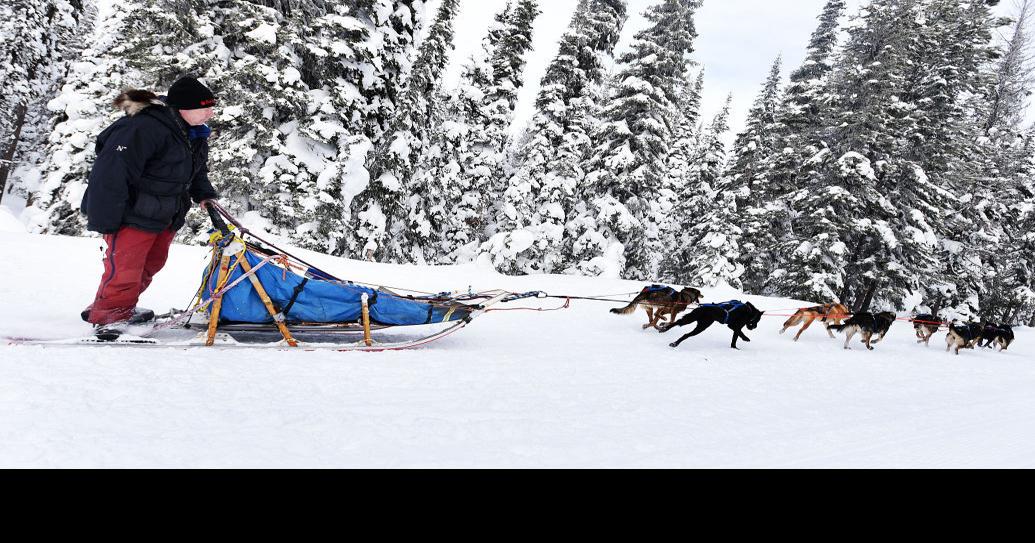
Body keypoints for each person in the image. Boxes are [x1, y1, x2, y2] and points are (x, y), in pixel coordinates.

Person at [80, 76, 219, 339]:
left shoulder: (195, 133)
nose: (210, 113)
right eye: (205, 107)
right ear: (183, 108)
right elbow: (110, 172)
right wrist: (106, 217)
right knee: (126, 267)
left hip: (165, 214)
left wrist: (205, 195)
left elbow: (196, 171)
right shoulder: (143, 128)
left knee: (151, 263)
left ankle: (117, 306)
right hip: (131, 213)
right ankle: (110, 316)